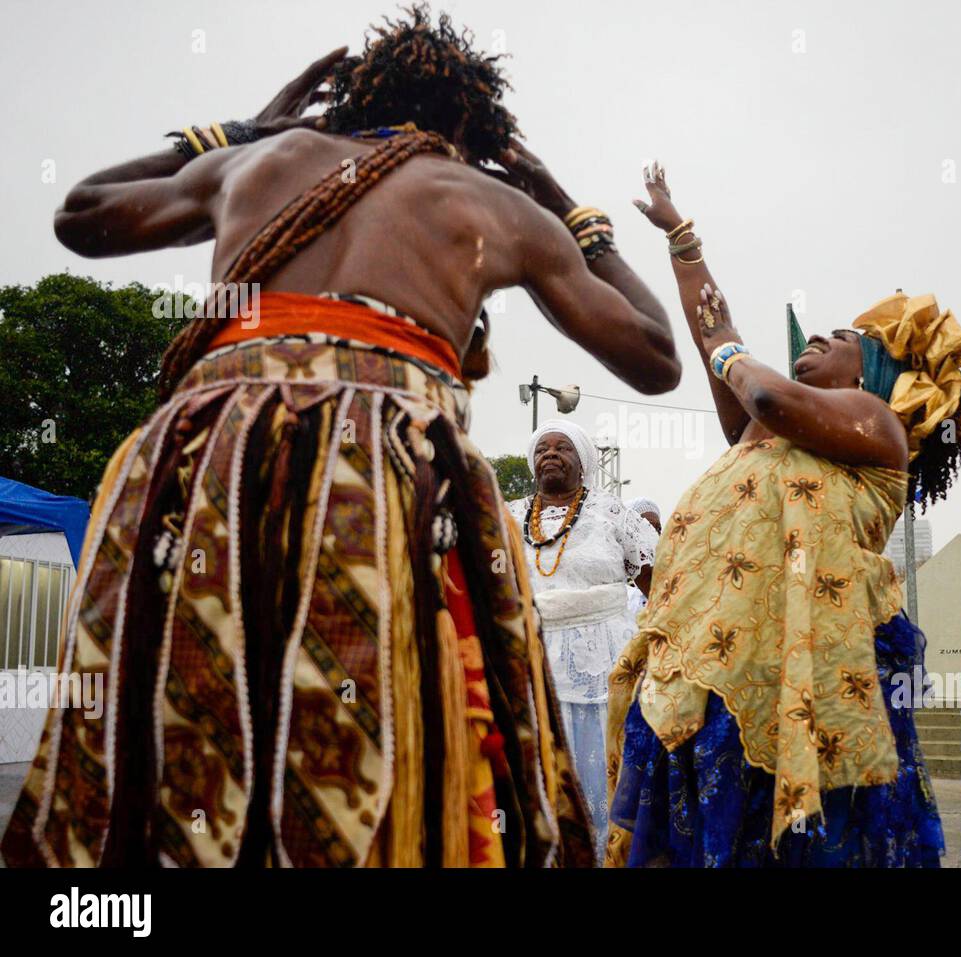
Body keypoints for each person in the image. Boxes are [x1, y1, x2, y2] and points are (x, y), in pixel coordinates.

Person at [2, 7, 684, 869]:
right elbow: (655, 356)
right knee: (380, 734)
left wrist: (241, 129)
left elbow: (81, 212)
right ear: (474, 133)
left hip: (208, 454)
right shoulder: (497, 204)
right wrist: (561, 201)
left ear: (352, 103)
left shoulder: (260, 160)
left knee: (190, 707)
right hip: (386, 464)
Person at [603, 163, 961, 867]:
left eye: (841, 338)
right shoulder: (759, 431)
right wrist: (682, 242)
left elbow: (761, 387)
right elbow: (717, 332)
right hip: (714, 665)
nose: (819, 338)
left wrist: (729, 351)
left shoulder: (875, 426)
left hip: (800, 676)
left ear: (870, 377)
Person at [507, 421, 659, 852]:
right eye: (543, 449)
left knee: (605, 771)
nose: (550, 455)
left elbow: (658, 584)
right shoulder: (508, 516)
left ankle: (608, 853)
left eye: (563, 448)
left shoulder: (612, 512)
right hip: (532, 659)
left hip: (606, 663)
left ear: (584, 462)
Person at [625, 497, 662, 615]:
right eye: (647, 526)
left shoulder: (667, 573)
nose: (654, 533)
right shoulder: (614, 580)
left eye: (658, 529)